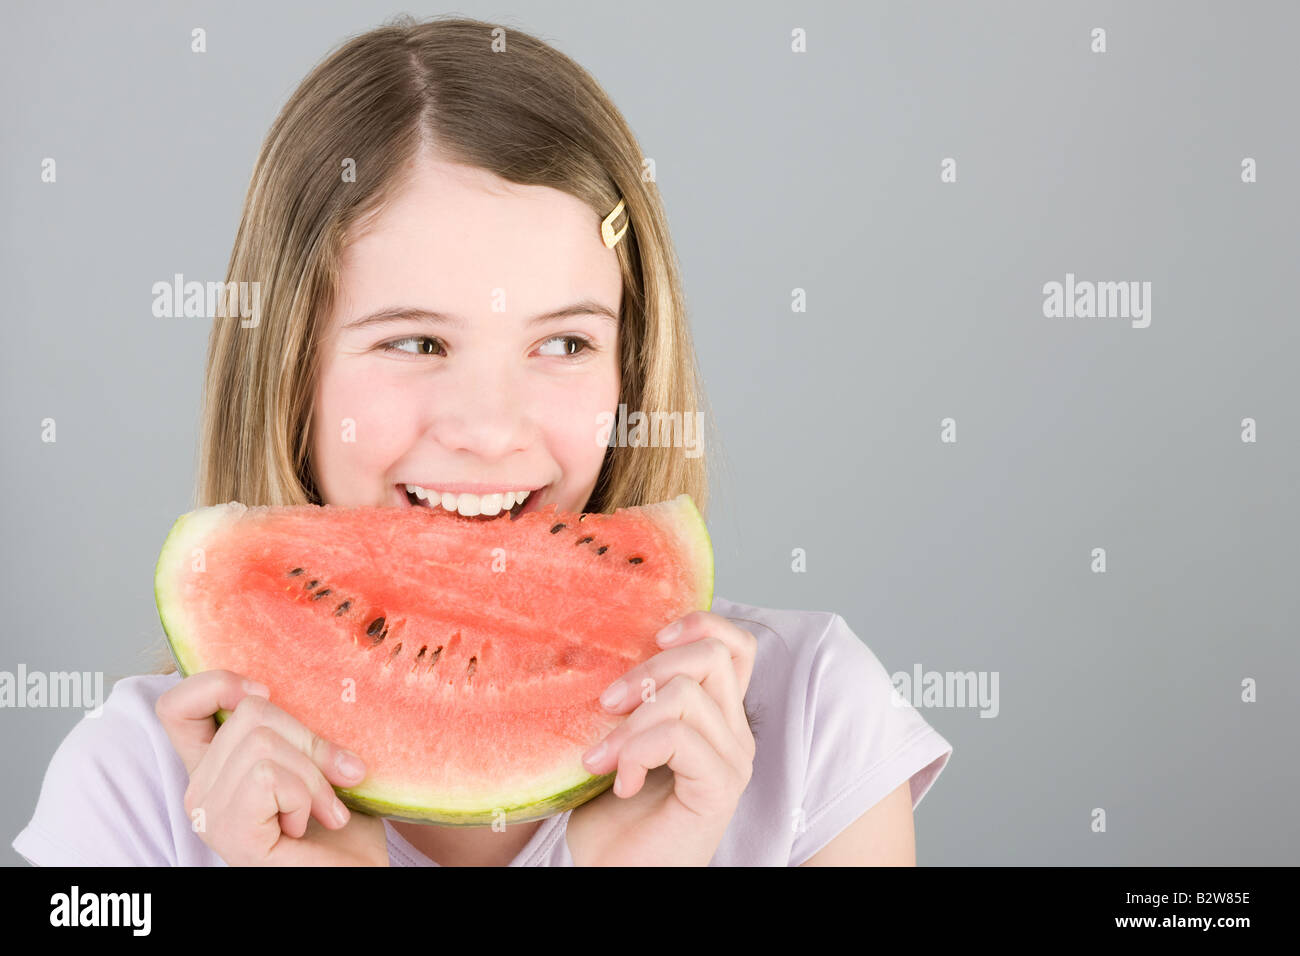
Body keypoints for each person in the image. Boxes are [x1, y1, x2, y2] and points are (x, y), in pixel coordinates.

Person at [12, 14, 952, 867]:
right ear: (290, 369)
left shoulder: (813, 725)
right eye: (416, 342)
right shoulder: (136, 794)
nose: (492, 430)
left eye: (564, 342)